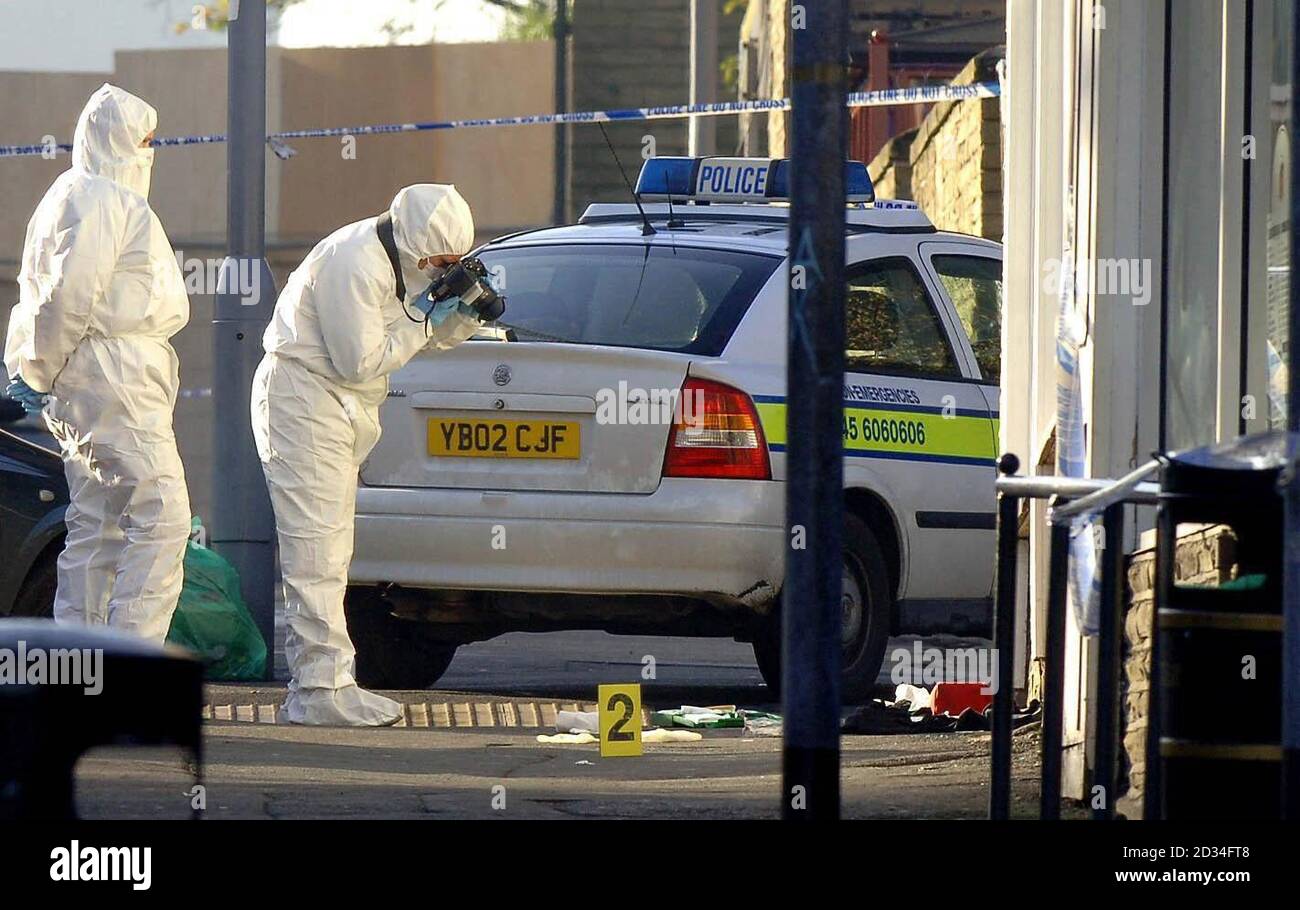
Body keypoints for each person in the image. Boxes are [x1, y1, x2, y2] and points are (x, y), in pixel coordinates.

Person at [253, 184, 487, 726]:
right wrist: (428, 317)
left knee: (333, 552)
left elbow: (419, 337)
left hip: (339, 406)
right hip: (304, 400)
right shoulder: (354, 260)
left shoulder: (402, 259)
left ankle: (334, 682)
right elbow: (359, 360)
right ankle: (316, 691)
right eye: (440, 264)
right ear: (417, 247)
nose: (442, 272)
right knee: (314, 552)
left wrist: (462, 316)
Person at [3, 83, 191, 644]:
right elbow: (69, 295)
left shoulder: (72, 193)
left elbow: (45, 296)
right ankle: (132, 659)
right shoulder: (102, 197)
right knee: (162, 517)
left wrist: (35, 370)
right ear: (115, 138)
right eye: (143, 140)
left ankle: (81, 663)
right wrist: (37, 368)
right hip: (114, 376)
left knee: (96, 524)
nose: (149, 151)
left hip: (86, 378)